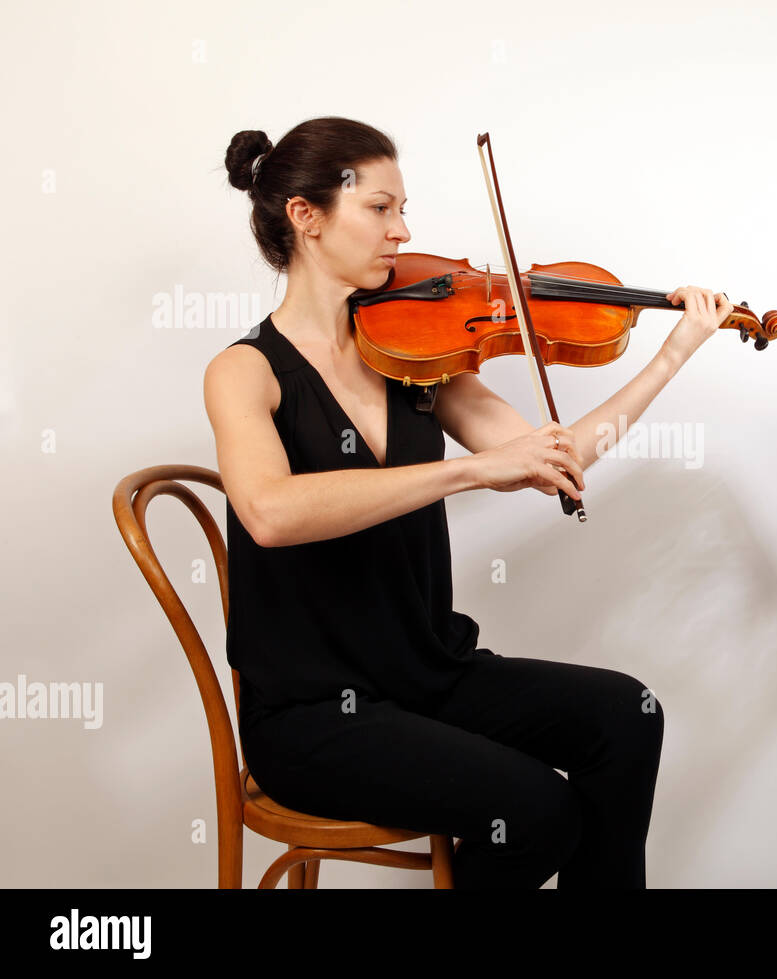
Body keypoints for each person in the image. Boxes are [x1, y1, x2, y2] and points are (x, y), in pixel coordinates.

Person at [205, 116, 732, 888]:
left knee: (627, 715)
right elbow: (271, 511)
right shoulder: (244, 371)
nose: (403, 230)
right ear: (306, 217)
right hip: (316, 715)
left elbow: (555, 457)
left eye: (402, 208)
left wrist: (671, 356)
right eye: (380, 208)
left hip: (430, 675)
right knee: (537, 811)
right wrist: (469, 473)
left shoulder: (419, 351)